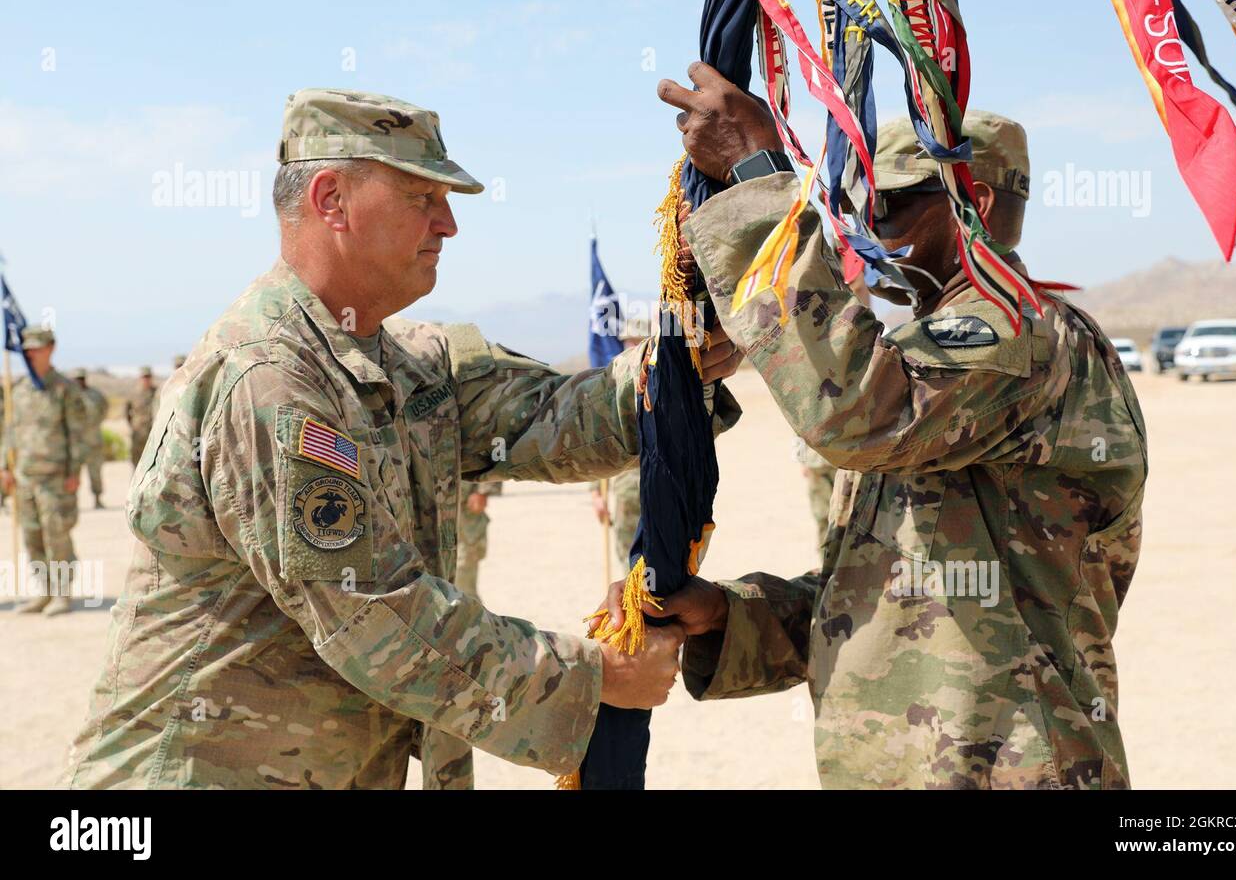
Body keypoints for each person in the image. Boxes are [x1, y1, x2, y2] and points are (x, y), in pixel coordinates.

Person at [66, 87, 741, 790]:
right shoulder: (268, 379)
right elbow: (379, 616)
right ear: (331, 200)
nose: (448, 224)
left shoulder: (411, 362)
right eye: (423, 197)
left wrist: (679, 361)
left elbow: (558, 414)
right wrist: (595, 678)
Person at [600, 68, 1148, 789]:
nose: (863, 226)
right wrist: (728, 618)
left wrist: (755, 182)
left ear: (970, 200)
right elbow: (877, 598)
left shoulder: (1018, 331)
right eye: (855, 205)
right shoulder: (925, 351)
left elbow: (852, 410)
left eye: (887, 204)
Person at [1, 327, 88, 616]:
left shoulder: (64, 389)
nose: (31, 353)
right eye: (27, 349)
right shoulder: (20, 389)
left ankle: (62, 594)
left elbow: (77, 433)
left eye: (37, 347)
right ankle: (44, 591)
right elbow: (10, 432)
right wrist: (5, 466)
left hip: (55, 477)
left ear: (51, 348)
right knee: (32, 537)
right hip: (25, 476)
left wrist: (74, 471)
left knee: (56, 535)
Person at [590, 314, 651, 567]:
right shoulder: (616, 390)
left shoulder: (669, 384)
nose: (630, 348)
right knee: (629, 557)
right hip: (626, 489)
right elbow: (601, 441)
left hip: (661, 485)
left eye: (637, 342)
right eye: (628, 342)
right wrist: (596, 490)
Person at [454, 480, 501, 599]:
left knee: (464, 563)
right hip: (429, 496)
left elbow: (494, 460)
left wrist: (483, 491)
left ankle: (468, 612)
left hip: (465, 498)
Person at [73, 368, 108, 510]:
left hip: (93, 441)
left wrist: (95, 425)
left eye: (81, 379)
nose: (79, 382)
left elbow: (104, 409)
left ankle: (97, 498)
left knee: (95, 472)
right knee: (74, 473)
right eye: (77, 379)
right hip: (76, 443)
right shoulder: (70, 395)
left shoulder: (95, 395)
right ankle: (73, 502)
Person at [124, 367, 155, 466]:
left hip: (153, 431)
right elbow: (126, 411)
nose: (146, 379)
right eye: (144, 376)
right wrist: (133, 425)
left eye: (148, 376)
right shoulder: (133, 393)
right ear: (140, 378)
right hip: (137, 432)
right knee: (136, 458)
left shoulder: (157, 392)